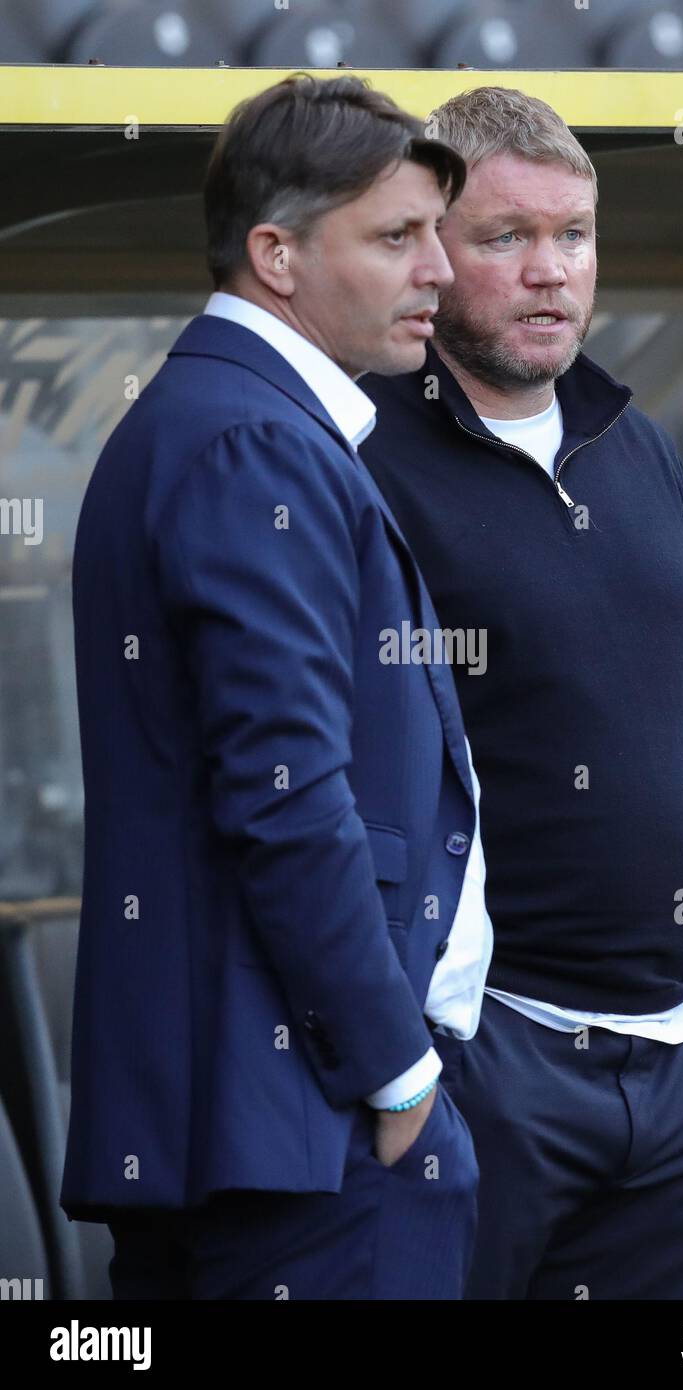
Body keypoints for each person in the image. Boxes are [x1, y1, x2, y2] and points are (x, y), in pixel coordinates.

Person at [60, 74, 491, 1301]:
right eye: (397, 237)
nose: (440, 274)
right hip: (309, 1140)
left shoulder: (235, 422)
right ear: (276, 254)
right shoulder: (251, 439)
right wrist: (397, 1077)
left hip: (287, 1129)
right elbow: (288, 796)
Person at [359, 85, 683, 1301]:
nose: (548, 272)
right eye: (505, 238)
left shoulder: (637, 444)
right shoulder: (361, 453)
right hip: (490, 1060)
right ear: (432, 248)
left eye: (572, 236)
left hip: (679, 1062)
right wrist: (411, 1060)